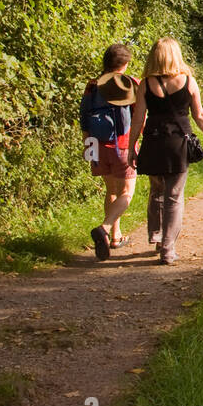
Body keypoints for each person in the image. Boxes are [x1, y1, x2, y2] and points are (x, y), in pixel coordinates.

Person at [126, 38, 203, 265]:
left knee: (156, 189)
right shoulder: (188, 81)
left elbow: (138, 119)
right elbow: (199, 115)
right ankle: (168, 249)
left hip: (153, 142)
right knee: (174, 196)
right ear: (176, 55)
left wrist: (131, 147)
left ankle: (156, 235)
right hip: (178, 143)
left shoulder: (145, 84)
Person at [83, 44, 139, 261]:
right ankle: (105, 229)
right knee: (127, 192)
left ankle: (116, 237)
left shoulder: (92, 85)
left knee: (111, 190)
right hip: (121, 144)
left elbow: (83, 116)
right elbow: (139, 115)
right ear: (124, 64)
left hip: (96, 144)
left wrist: (88, 145)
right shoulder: (129, 83)